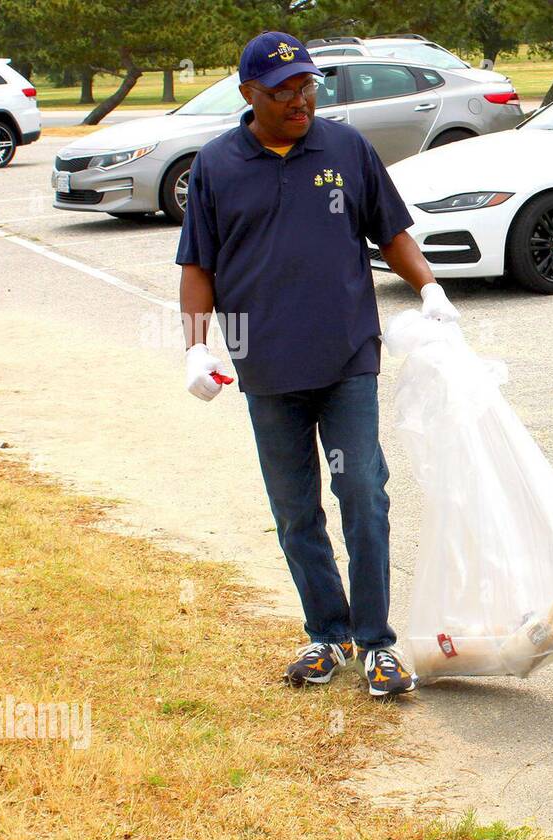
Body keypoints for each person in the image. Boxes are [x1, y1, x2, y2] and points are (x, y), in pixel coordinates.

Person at [177, 32, 458, 697]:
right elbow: (198, 266)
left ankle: (377, 643)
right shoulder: (217, 166)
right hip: (267, 366)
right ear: (249, 95)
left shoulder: (345, 148)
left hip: (347, 357)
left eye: (308, 87)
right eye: (285, 93)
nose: (302, 101)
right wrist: (195, 347)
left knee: (363, 491)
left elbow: (390, 232)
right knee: (296, 510)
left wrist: (430, 289)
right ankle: (327, 634)